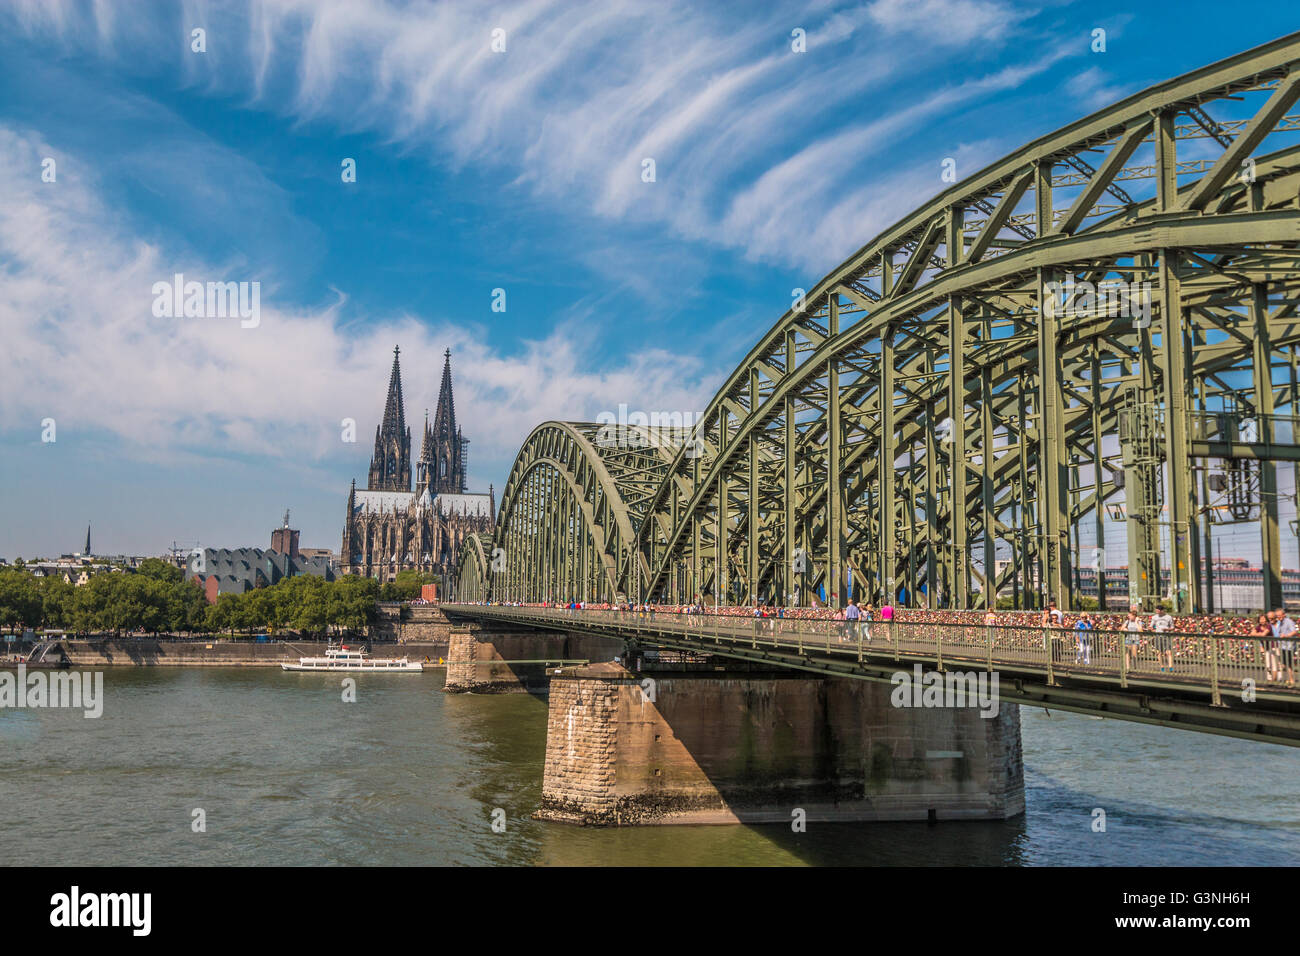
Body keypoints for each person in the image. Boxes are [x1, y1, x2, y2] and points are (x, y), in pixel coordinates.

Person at [1274, 607, 1297, 687]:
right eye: (1277, 616)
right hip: (1283, 646)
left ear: (1284, 615)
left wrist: (1286, 636)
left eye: (1279, 616)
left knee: (1288, 664)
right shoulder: (1281, 622)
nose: (1278, 618)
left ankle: (1291, 680)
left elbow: (1294, 631)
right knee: (1285, 664)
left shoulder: (1288, 621)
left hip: (1289, 646)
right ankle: (1289, 679)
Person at [1253, 613, 1278, 682]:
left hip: (1273, 646)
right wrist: (1259, 634)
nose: (1262, 621)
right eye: (1261, 619)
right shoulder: (1258, 627)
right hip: (1266, 648)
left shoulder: (1269, 626)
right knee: (1268, 664)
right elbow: (1252, 633)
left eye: (1263, 619)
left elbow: (1264, 634)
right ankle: (1269, 679)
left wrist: (1258, 634)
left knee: (1274, 664)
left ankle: (1274, 679)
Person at [1150, 604, 1175, 672]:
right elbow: (1151, 626)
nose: (1157, 612)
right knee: (1159, 652)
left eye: (1158, 611)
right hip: (1158, 636)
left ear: (1162, 611)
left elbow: (1173, 627)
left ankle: (1170, 667)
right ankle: (1162, 666)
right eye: (1156, 611)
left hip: (1166, 636)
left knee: (1168, 652)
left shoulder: (1168, 617)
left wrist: (1167, 630)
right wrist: (1153, 630)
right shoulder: (1154, 617)